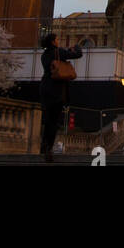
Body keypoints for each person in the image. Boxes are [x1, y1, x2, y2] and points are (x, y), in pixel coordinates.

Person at [39, 33, 83, 162]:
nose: (58, 41)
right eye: (57, 39)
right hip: (57, 90)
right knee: (54, 121)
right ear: (53, 42)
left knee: (47, 120)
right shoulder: (59, 52)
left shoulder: (44, 55)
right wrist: (77, 46)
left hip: (45, 88)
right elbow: (78, 54)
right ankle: (48, 149)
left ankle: (44, 146)